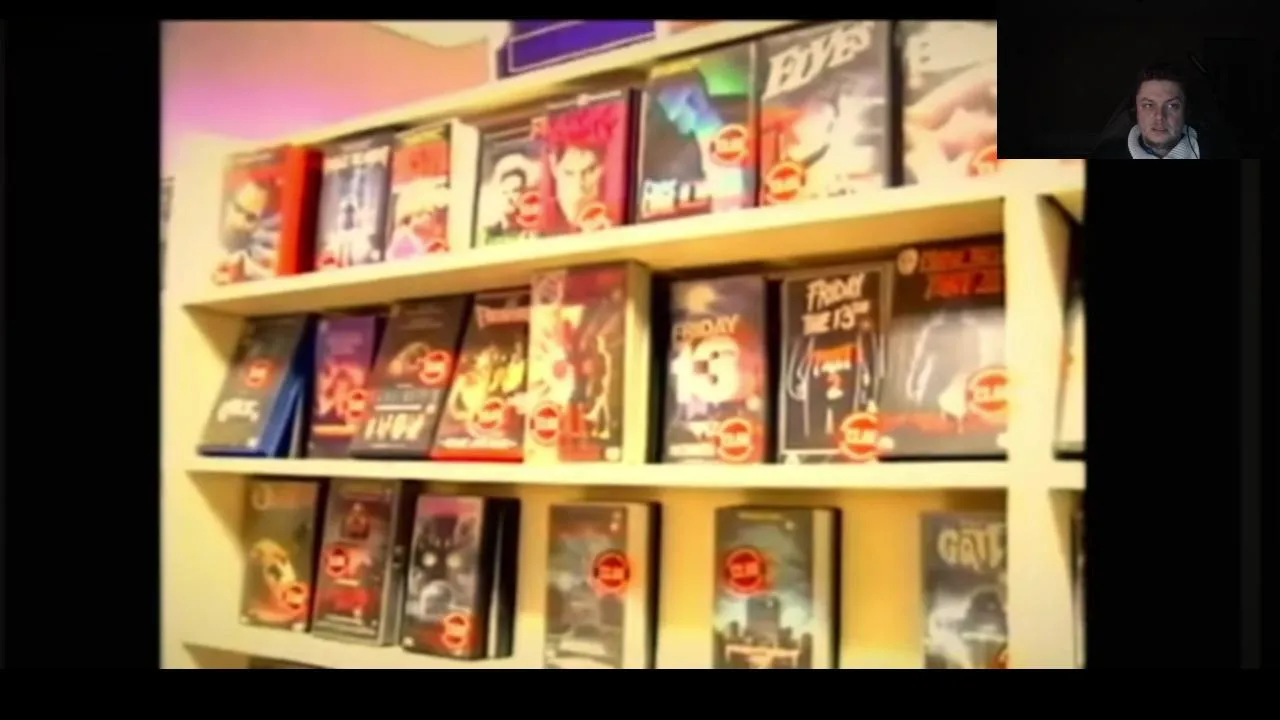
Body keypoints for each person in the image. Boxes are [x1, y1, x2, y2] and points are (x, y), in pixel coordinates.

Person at [1092, 62, 1218, 160]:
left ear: (1186, 112)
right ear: (1135, 111)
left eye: (1172, 105)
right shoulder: (1104, 155)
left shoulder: (1218, 152)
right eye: (1148, 105)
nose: (1159, 116)